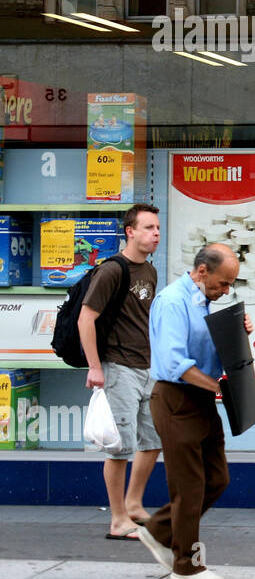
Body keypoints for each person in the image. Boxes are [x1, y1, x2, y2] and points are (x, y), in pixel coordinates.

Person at [135, 243, 252, 579]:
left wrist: (237, 332)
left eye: (231, 284)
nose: (226, 290)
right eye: (223, 283)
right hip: (176, 398)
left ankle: (158, 529)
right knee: (190, 487)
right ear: (202, 271)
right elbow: (174, 362)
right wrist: (216, 388)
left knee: (217, 479)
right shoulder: (173, 301)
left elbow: (206, 347)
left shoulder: (204, 300)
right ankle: (186, 565)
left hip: (200, 398)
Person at [80, 203, 161, 541]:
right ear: (130, 231)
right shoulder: (112, 271)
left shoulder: (151, 272)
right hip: (118, 368)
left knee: (153, 440)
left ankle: (134, 503)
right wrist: (96, 367)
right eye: (148, 228)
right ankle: (117, 519)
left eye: (157, 228)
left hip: (147, 367)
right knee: (120, 448)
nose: (155, 234)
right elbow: (87, 318)